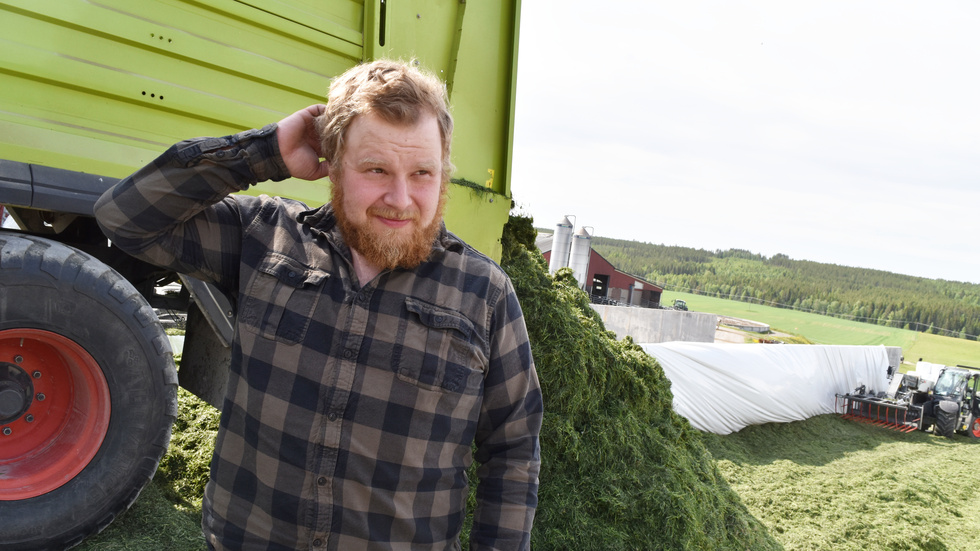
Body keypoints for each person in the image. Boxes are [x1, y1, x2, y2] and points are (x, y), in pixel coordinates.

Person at [94, 59, 542, 550]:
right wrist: (263, 153)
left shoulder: (485, 293)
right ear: (332, 163)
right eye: (376, 169)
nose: (401, 198)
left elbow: (513, 451)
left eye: (422, 173)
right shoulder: (266, 238)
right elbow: (126, 217)